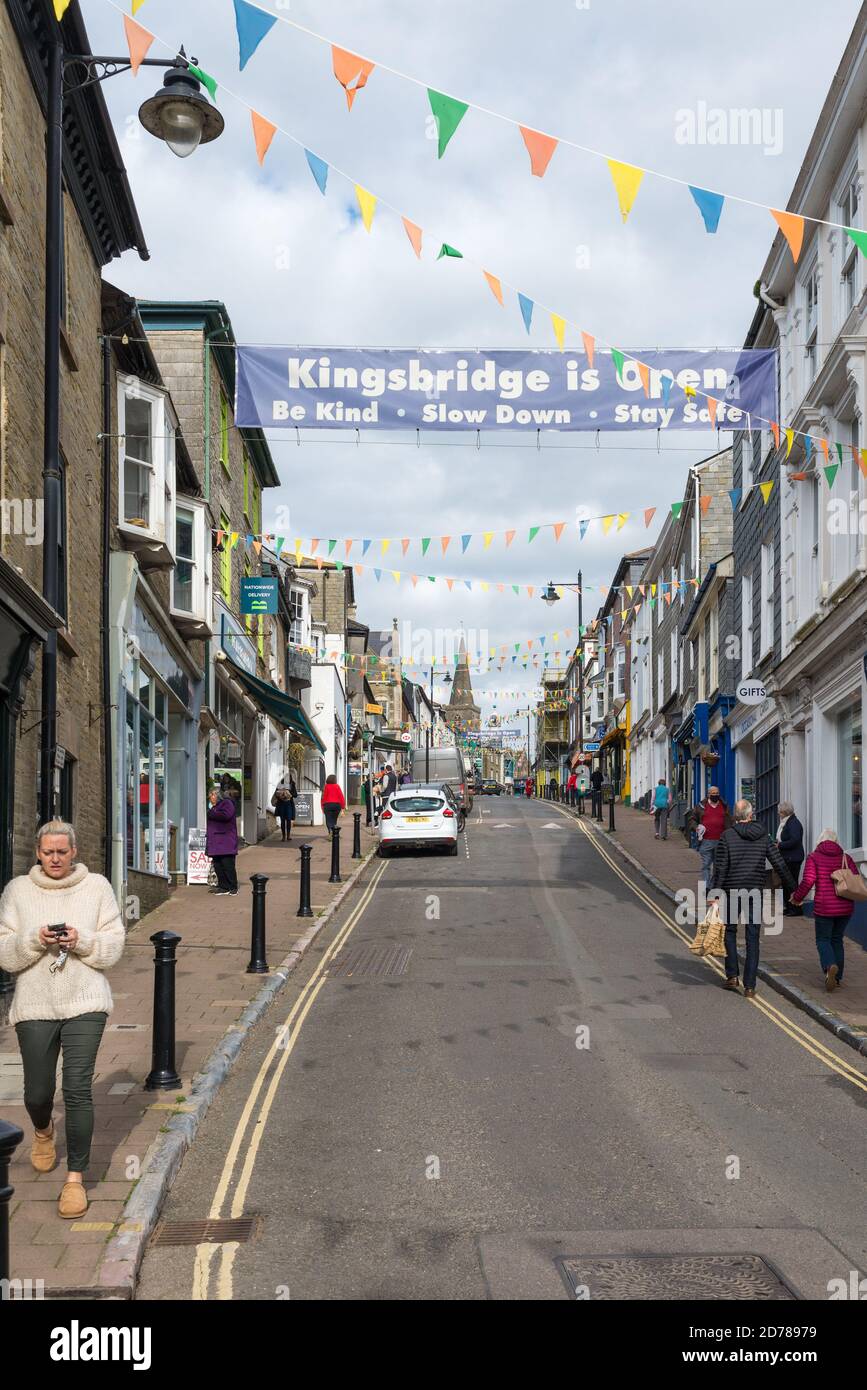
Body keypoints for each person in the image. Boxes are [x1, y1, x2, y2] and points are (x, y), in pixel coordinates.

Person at [0, 820, 125, 1219]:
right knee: (38, 1092)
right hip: (35, 1004)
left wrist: (80, 940)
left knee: (76, 1088)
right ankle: (43, 1131)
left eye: (62, 851)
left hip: (85, 1002)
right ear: (37, 852)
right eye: (48, 851)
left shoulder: (98, 887)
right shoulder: (17, 892)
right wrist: (37, 939)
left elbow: (113, 947)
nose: (55, 858)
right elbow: (5, 955)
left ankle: (75, 1179)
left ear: (74, 852)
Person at [709, 799, 795, 998]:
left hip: (732, 890)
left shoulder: (727, 836)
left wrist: (714, 894)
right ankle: (750, 986)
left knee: (729, 932)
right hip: (755, 891)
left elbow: (720, 867)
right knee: (753, 937)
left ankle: (732, 976)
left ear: (735, 817)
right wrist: (793, 890)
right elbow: (779, 863)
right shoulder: (763, 836)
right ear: (750, 814)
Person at [790, 829, 859, 992]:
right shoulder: (845, 857)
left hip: (824, 906)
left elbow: (808, 881)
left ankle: (830, 966)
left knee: (822, 939)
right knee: (837, 939)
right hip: (845, 907)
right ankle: (838, 977)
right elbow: (855, 879)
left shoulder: (814, 857)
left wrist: (797, 898)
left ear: (820, 840)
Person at [688, 786, 732, 886]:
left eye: (717, 793)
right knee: (706, 865)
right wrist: (696, 827)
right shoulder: (700, 806)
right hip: (706, 841)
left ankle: (713, 886)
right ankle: (707, 887)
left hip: (721, 841)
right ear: (708, 794)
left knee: (718, 867)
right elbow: (692, 820)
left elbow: (730, 821)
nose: (715, 795)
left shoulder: (724, 806)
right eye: (713, 793)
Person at [207, 785, 239, 894]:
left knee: (227, 865)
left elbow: (226, 816)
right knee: (218, 865)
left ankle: (232, 887)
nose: (209, 797)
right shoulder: (215, 806)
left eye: (211, 795)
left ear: (217, 795)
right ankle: (223, 886)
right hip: (217, 842)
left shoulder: (227, 803)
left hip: (225, 841)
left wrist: (211, 812)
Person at [776, 801, 805, 915]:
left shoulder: (793, 823)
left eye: (780, 811)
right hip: (787, 857)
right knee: (786, 883)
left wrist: (780, 845)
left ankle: (795, 909)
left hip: (793, 858)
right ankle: (788, 907)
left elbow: (795, 840)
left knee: (792, 884)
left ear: (784, 812)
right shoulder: (787, 822)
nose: (778, 813)